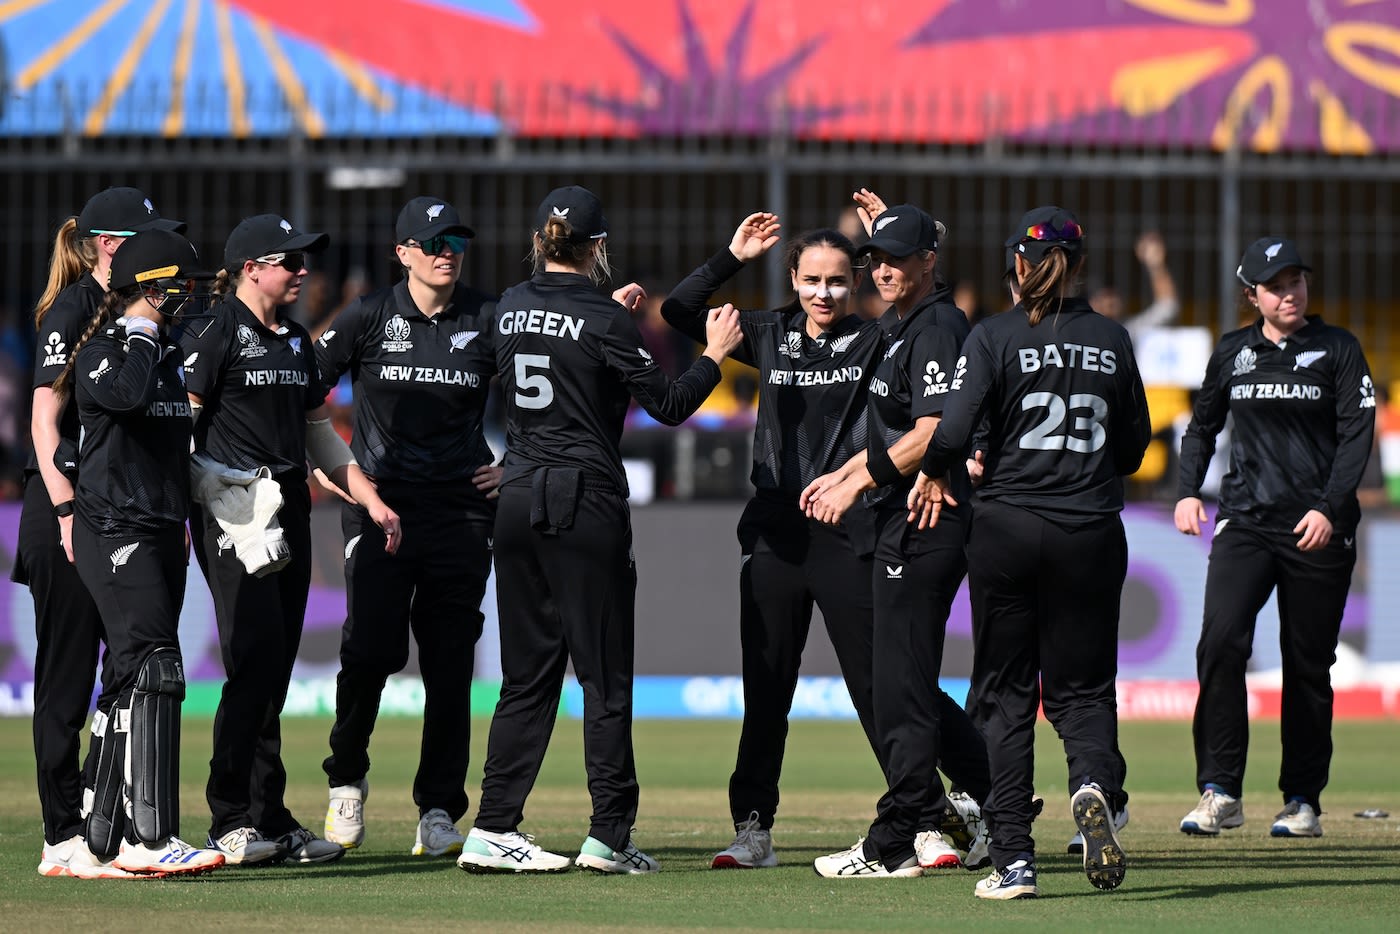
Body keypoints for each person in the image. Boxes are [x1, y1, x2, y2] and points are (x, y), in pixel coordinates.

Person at [456, 185, 742, 874]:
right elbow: (670, 405)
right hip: (583, 500)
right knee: (605, 679)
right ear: (598, 248)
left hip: (518, 495)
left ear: (540, 242)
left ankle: (493, 826)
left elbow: (521, 372)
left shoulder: (512, 306)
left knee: (526, 677)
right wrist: (716, 351)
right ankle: (609, 836)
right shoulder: (605, 320)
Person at [908, 207, 1151, 899]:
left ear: (1018, 264)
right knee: (1083, 691)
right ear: (1076, 264)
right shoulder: (1112, 337)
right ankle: (1096, 785)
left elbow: (951, 433)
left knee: (1006, 697)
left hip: (1008, 528)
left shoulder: (995, 334)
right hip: (1091, 531)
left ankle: (1014, 860)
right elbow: (1133, 445)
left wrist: (939, 471)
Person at [659, 213, 887, 871]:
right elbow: (679, 310)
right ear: (792, 279)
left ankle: (921, 818)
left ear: (857, 282)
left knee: (877, 686)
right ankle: (752, 829)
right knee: (766, 690)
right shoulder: (769, 333)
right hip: (776, 535)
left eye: (839, 282)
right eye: (812, 280)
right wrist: (730, 256)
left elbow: (936, 327)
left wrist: (890, 245)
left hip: (848, 533)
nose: (824, 294)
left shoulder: (877, 339)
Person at [179, 214, 400, 866]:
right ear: (251, 267)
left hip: (291, 515)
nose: (302, 272)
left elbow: (317, 434)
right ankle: (231, 819)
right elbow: (178, 435)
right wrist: (214, 496)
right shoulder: (214, 333)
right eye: (289, 261)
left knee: (273, 668)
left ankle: (269, 816)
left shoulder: (297, 340)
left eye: (304, 261)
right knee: (251, 663)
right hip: (236, 520)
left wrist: (368, 496)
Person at [803, 199, 993, 879]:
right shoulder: (906, 324)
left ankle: (895, 842)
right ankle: (998, 806)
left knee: (901, 692)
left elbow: (934, 431)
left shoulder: (936, 327)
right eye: (876, 260)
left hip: (924, 522)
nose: (882, 271)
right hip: (900, 519)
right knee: (902, 686)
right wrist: (843, 474)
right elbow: (896, 433)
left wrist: (856, 483)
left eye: (897, 259)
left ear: (929, 262)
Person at [317, 197, 501, 857]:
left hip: (460, 509)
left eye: (455, 239)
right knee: (369, 652)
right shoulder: (367, 315)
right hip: (381, 507)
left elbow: (551, 393)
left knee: (451, 665)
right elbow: (303, 393)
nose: (446, 251)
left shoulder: (488, 317)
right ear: (402, 253)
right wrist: (333, 468)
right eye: (432, 242)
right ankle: (346, 782)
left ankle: (439, 811)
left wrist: (519, 464)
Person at [1175, 238, 1374, 839]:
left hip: (1319, 529)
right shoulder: (1233, 352)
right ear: (1252, 295)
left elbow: (1356, 436)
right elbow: (1201, 427)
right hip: (1247, 523)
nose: (1291, 293)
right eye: (1277, 285)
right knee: (1220, 644)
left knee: (1307, 665)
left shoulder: (1337, 348)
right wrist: (1187, 490)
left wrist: (1329, 508)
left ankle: (1302, 800)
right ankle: (1219, 792)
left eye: (1297, 281)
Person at [16, 188, 185, 878]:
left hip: (113, 507)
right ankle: (62, 836)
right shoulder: (75, 307)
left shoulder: (137, 313)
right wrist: (63, 514)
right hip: (68, 507)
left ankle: (101, 824)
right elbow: (43, 424)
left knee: (124, 672)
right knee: (67, 673)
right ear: (111, 245)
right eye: (144, 240)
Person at [55, 228, 226, 876]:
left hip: (160, 530)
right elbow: (122, 397)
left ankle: (101, 841)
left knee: (129, 679)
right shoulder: (104, 351)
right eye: (179, 285)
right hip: (115, 531)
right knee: (157, 669)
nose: (191, 295)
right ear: (154, 288)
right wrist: (145, 331)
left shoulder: (167, 354)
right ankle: (151, 840)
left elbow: (168, 442)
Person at [1091, 231, 1178, 345]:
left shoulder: (1127, 332)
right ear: (1090, 302)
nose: (1108, 303)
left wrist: (1155, 265)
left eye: (1112, 297)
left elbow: (1167, 308)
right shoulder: (1075, 331)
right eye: (1101, 298)